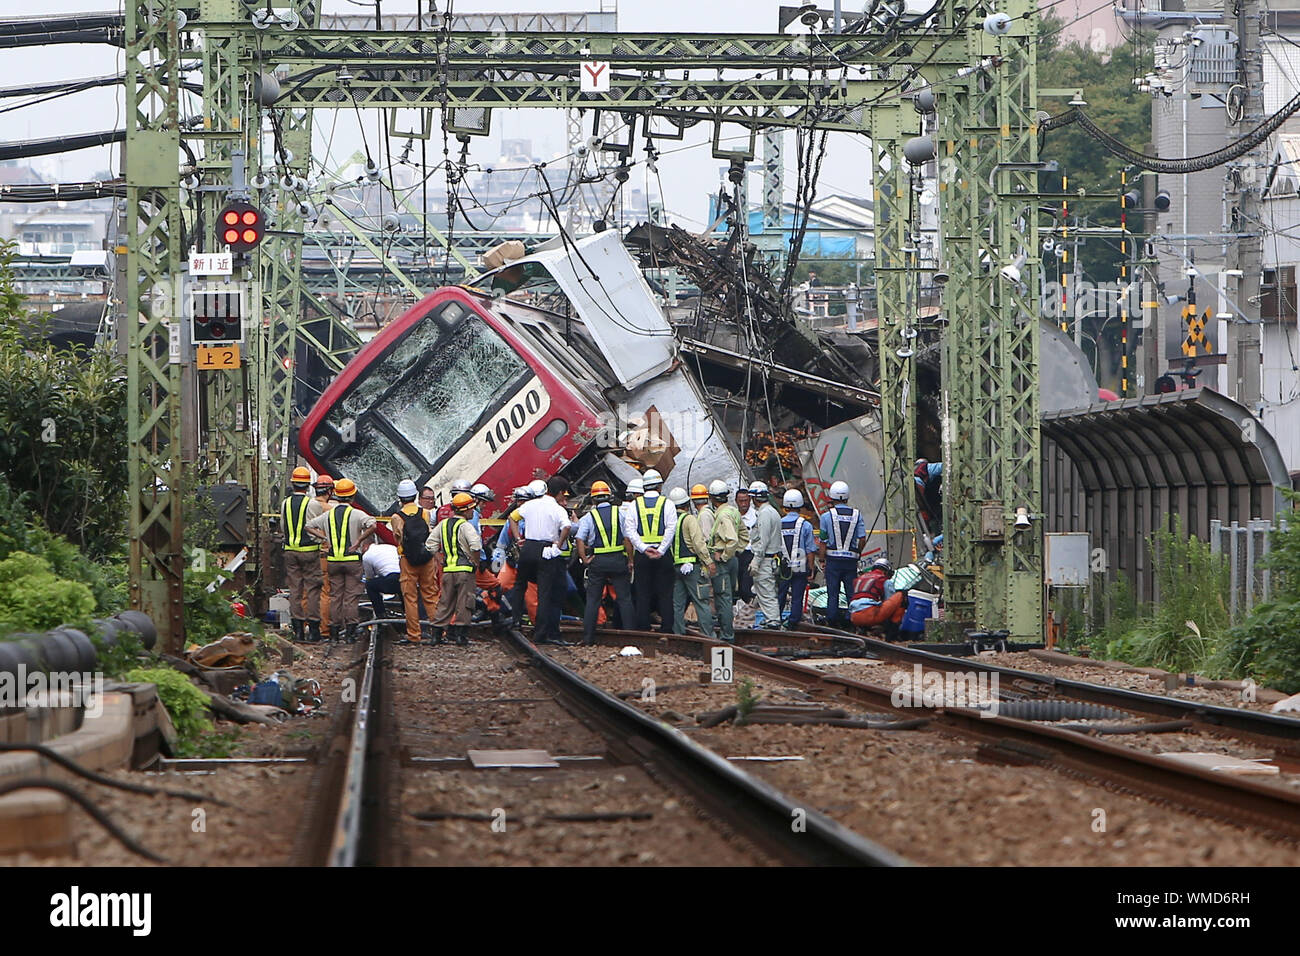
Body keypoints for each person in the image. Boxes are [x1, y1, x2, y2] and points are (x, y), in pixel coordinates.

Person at [306, 478, 377, 643]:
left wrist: (324, 538)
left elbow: (308, 526)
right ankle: (351, 633)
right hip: (352, 560)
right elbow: (373, 525)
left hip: (332, 561)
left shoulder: (328, 515)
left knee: (335, 596)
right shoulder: (357, 514)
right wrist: (359, 541)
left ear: (336, 496)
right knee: (351, 597)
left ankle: (334, 633)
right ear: (352, 496)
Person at [507, 477, 573, 644]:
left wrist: (517, 538)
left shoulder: (530, 504)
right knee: (544, 592)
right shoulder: (557, 509)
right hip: (545, 549)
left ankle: (515, 621)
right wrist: (558, 544)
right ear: (558, 493)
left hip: (528, 548)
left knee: (520, 585)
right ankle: (541, 634)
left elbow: (512, 518)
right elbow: (566, 526)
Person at [574, 480, 635, 645]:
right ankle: (630, 637)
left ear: (593, 500)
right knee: (624, 599)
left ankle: (588, 638)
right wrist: (630, 560)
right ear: (609, 497)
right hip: (617, 560)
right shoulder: (620, 513)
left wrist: (585, 559)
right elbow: (628, 539)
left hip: (598, 562)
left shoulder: (588, 517)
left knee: (593, 600)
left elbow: (579, 539)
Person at [625, 468, 677, 633]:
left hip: (642, 555)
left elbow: (630, 530)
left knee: (642, 593)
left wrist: (643, 548)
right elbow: (671, 528)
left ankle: (643, 627)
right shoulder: (667, 503)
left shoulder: (634, 505)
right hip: (663, 554)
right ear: (660, 486)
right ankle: (667, 627)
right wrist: (661, 550)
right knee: (665, 593)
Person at [428, 492, 482, 646]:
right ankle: (461, 636)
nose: (473, 511)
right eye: (471, 509)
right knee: (465, 602)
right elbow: (476, 546)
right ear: (464, 510)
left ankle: (436, 636)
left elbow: (430, 544)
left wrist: (440, 559)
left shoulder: (443, 525)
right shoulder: (466, 526)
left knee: (445, 602)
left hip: (448, 570)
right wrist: (475, 563)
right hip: (465, 570)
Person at [389, 480, 439, 644]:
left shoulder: (396, 517)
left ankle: (414, 635)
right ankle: (438, 633)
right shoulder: (425, 513)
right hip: (426, 558)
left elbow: (398, 538)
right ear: (415, 495)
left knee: (410, 597)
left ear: (400, 498)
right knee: (430, 595)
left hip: (407, 560)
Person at [280, 466, 324, 643]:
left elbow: (283, 527)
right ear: (308, 486)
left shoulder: (286, 503)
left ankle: (297, 629)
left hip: (291, 551)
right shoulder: (313, 504)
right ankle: (313, 630)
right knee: (312, 589)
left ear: (293, 483)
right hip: (309, 552)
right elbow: (316, 528)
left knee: (295, 589)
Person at [818, 479, 867, 628]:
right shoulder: (857, 515)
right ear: (847, 497)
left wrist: (822, 559)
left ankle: (832, 620)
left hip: (833, 560)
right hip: (850, 560)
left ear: (831, 497)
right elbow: (862, 538)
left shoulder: (826, 517)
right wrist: (857, 552)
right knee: (851, 592)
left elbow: (823, 541)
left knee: (832, 592)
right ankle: (851, 620)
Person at [668, 486, 714, 636]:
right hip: (692, 567)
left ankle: (678, 634)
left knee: (677, 604)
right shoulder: (689, 519)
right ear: (687, 504)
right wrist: (708, 561)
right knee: (701, 602)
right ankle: (708, 635)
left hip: (677, 567)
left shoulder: (669, 520)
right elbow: (698, 543)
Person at [705, 479, 745, 642]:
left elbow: (733, 539)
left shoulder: (722, 516)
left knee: (723, 598)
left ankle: (727, 635)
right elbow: (743, 536)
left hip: (723, 562)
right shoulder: (734, 511)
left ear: (713, 498)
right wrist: (736, 552)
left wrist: (724, 555)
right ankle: (726, 632)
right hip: (732, 560)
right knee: (726, 597)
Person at [777, 489, 817, 629]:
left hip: (783, 565)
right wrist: (811, 568)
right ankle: (793, 622)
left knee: (781, 593)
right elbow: (810, 549)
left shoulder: (779, 523)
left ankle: (776, 619)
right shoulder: (805, 525)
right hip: (800, 563)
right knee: (797, 596)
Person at [748, 480, 782, 628]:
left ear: (755, 497)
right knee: (768, 591)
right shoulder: (773, 511)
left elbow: (763, 540)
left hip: (765, 560)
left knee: (766, 592)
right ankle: (771, 619)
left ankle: (773, 621)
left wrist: (756, 561)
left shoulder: (765, 514)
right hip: (771, 559)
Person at [469, 482, 505, 623]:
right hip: (474, 561)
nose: (484, 506)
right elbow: (475, 540)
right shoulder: (473, 517)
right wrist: (483, 559)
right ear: (476, 500)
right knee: (495, 586)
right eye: (483, 503)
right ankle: (491, 613)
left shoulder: (472, 516)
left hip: (468, 561)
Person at [850, 557, 907, 638]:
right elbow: (890, 602)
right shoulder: (884, 580)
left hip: (854, 617)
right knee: (901, 596)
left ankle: (865, 629)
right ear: (886, 571)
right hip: (870, 615)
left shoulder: (861, 578)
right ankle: (892, 634)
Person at [312, 474, 336, 640]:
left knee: (308, 591)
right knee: (326, 593)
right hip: (325, 555)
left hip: (308, 553)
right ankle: (324, 629)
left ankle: (307, 626)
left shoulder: (307, 506)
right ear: (329, 491)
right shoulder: (330, 511)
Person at [362, 540, 402, 626]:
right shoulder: (390, 547)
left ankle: (381, 614)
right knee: (403, 590)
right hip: (404, 576)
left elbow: (369, 577)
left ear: (365, 546)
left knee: (370, 585)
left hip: (390, 579)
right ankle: (407, 612)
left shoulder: (366, 556)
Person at [734, 485, 757, 602]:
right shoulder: (733, 516)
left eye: (746, 501)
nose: (744, 504)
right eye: (741, 501)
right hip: (737, 554)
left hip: (750, 553)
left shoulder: (756, 516)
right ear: (736, 502)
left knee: (746, 586)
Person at [914, 458, 943, 533]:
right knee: (923, 508)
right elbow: (943, 466)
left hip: (913, 485)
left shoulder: (912, 468)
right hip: (918, 486)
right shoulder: (927, 467)